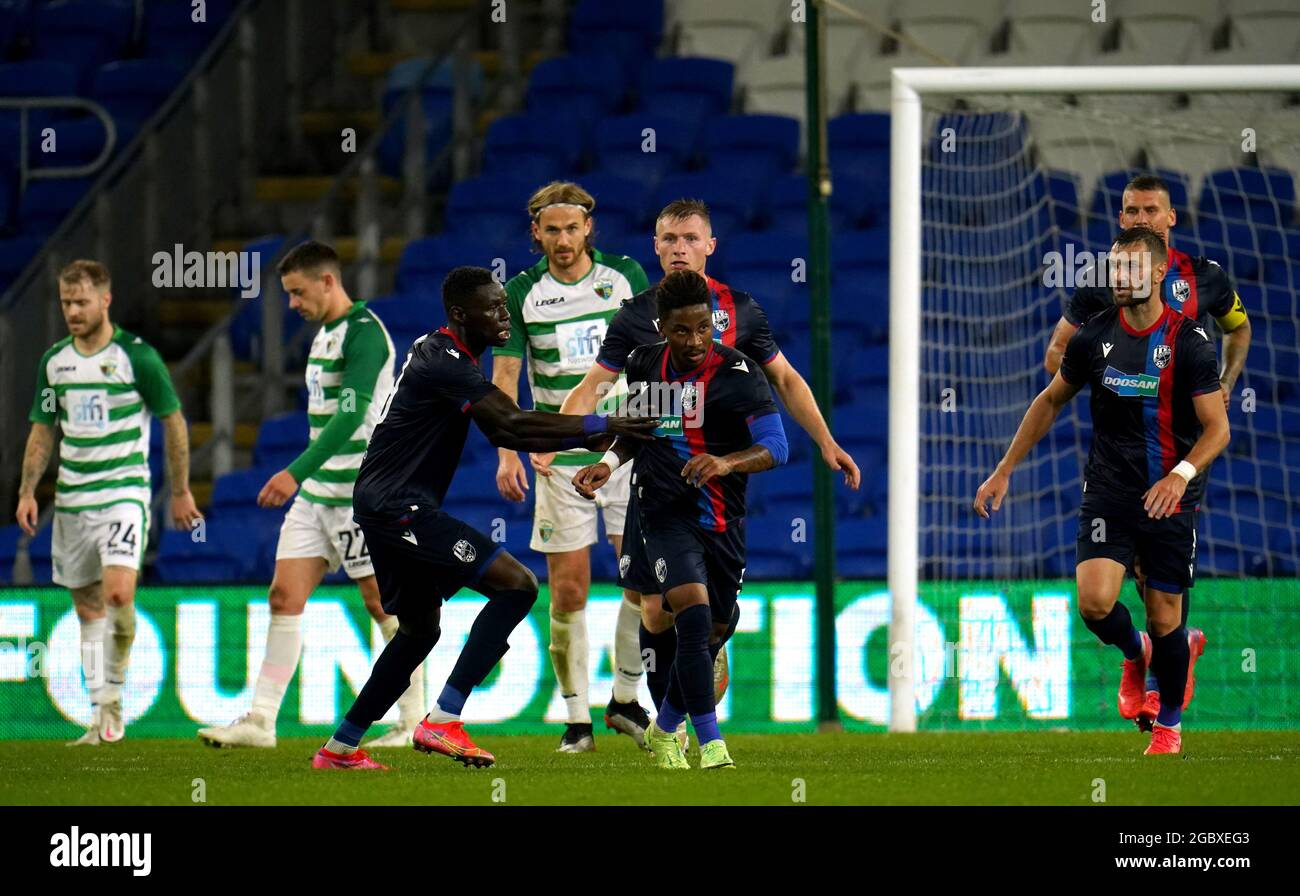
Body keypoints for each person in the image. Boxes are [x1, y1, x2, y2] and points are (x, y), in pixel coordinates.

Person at [311, 266, 657, 771]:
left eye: (504, 304)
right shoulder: (445, 360)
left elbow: (509, 423)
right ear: (459, 314)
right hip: (397, 507)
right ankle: (443, 719)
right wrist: (600, 426)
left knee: (419, 630)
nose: (504, 313)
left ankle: (339, 748)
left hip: (385, 503)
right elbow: (510, 425)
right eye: (493, 307)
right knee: (517, 586)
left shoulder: (445, 355)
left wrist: (589, 433)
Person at [557, 198, 860, 740]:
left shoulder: (741, 311)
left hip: (717, 482)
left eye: (691, 239)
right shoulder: (634, 316)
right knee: (652, 610)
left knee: (703, 618)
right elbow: (596, 387)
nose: (680, 249)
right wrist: (554, 439)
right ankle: (668, 725)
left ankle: (689, 684)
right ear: (655, 247)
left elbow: (786, 380)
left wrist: (826, 440)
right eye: (669, 239)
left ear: (710, 246)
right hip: (653, 481)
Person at [975, 228, 1230, 756]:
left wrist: (1179, 474)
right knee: (1093, 604)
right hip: (1110, 491)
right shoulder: (1093, 337)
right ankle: (1135, 651)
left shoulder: (1189, 343)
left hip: (1171, 495)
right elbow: (1049, 401)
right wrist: (1004, 469)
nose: (1120, 278)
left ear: (1159, 273)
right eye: (1115, 268)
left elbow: (1218, 429)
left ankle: (1169, 727)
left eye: (1133, 268)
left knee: (1166, 618)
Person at [197, 240, 425, 750]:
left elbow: (349, 417)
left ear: (328, 281)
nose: (293, 304)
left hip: (360, 494)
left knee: (383, 606)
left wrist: (293, 472)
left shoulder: (364, 335)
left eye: (298, 293)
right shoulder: (325, 335)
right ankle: (260, 721)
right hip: (318, 495)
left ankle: (412, 721)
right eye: (288, 295)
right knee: (284, 596)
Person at [1042, 174, 1248, 729]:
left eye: (1150, 210)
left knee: (1158, 581)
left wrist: (1226, 379)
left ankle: (1159, 689)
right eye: (1130, 210)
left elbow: (1240, 327)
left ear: (1171, 218)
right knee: (1124, 579)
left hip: (1184, 448)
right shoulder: (1102, 287)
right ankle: (1153, 663)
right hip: (1122, 443)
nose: (1138, 219)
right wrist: (1093, 369)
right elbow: (1057, 353)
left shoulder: (1205, 278)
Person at [572, 270, 788, 770]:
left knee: (714, 627)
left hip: (722, 517)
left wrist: (726, 462)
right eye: (682, 331)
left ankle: (666, 725)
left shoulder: (739, 374)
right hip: (662, 510)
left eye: (702, 329)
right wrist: (605, 466)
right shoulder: (644, 364)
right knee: (688, 614)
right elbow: (639, 432)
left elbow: (777, 446)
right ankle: (712, 743)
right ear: (662, 329)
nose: (694, 341)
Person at [494, 181, 652, 753]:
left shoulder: (625, 278)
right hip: (559, 460)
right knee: (567, 590)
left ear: (590, 227)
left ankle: (626, 699)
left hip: (625, 453)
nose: (563, 239)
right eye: (551, 229)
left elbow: (652, 360)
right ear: (535, 232)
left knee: (640, 577)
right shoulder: (519, 293)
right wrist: (508, 447)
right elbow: (507, 375)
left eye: (572, 228)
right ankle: (577, 721)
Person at [18, 259, 202, 745]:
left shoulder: (136, 358)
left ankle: (113, 692)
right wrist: (27, 491)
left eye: (81, 301)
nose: (73, 311)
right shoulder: (55, 362)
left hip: (123, 494)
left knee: (119, 595)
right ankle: (104, 713)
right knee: (87, 610)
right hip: (72, 500)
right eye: (65, 302)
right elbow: (43, 430)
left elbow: (174, 421)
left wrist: (180, 491)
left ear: (106, 300)